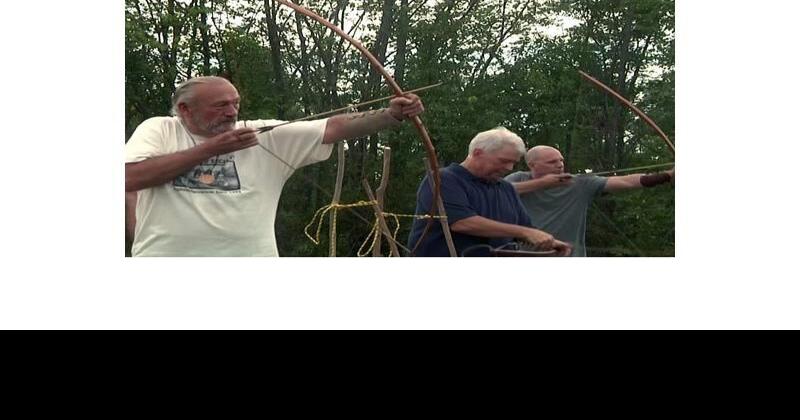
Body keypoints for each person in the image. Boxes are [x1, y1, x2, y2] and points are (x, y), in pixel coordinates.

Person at [125, 76, 424, 256]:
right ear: (184, 109)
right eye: (220, 105)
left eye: (235, 103)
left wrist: (389, 115)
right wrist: (212, 149)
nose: (231, 112)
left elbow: (333, 127)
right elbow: (129, 178)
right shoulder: (161, 130)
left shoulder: (260, 133)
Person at [406, 128, 572, 257]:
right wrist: (525, 232)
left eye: (513, 163)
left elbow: (524, 228)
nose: (509, 168)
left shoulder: (506, 188)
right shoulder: (443, 179)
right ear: (477, 153)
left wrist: (551, 242)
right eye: (504, 161)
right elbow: (462, 222)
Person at [505, 145, 674, 257]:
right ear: (532, 165)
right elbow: (500, 191)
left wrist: (667, 176)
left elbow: (626, 181)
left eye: (561, 160)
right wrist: (543, 183)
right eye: (552, 162)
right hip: (527, 256)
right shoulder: (518, 179)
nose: (560, 165)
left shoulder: (579, 183)